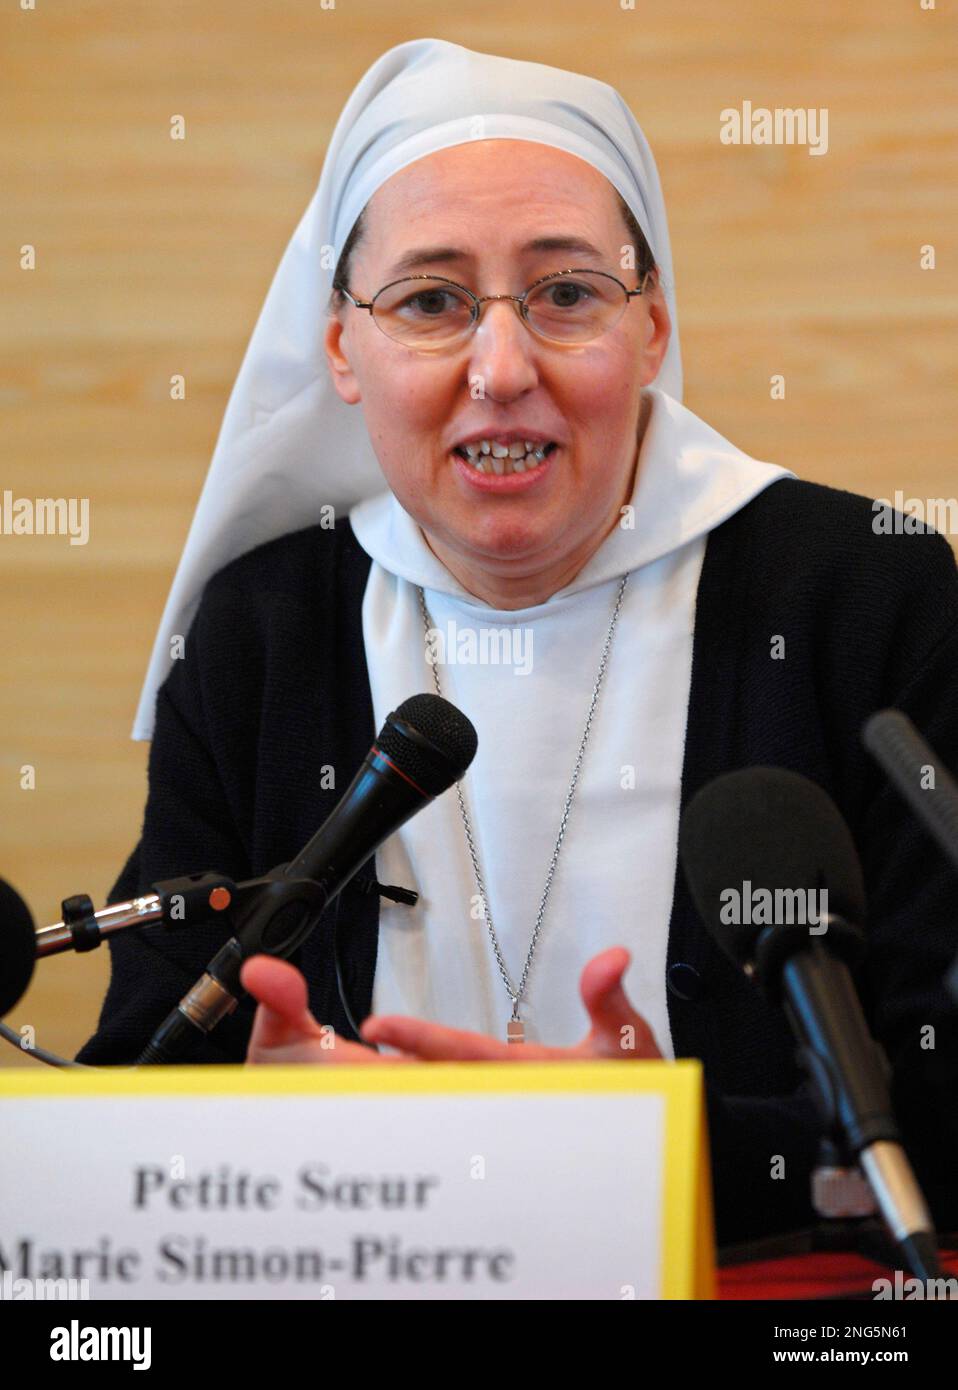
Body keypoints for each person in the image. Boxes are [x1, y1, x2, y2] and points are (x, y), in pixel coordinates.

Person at [76, 38, 958, 1248]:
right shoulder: (263, 634)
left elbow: (940, 1100)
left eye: (567, 294)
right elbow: (129, 1102)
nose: (501, 369)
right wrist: (262, 1138)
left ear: (650, 325)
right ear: (340, 345)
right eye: (431, 301)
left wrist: (640, 1150)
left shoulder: (866, 597)